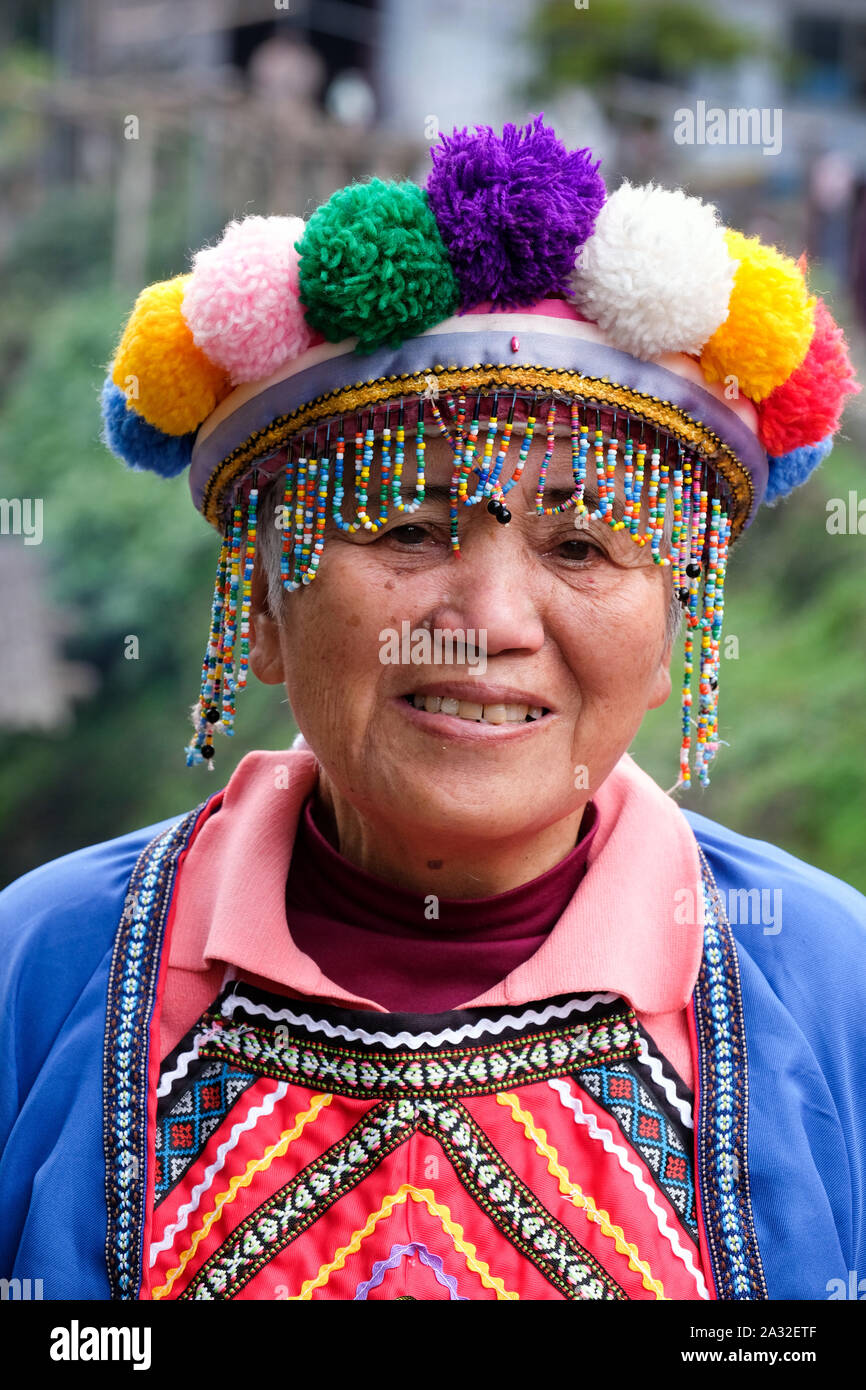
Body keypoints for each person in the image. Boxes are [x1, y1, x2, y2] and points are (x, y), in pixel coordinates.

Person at [1, 116, 863, 1302]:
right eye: (405, 526)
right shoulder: (38, 971)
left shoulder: (831, 990)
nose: (488, 619)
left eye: (581, 544)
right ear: (260, 605)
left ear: (673, 634)